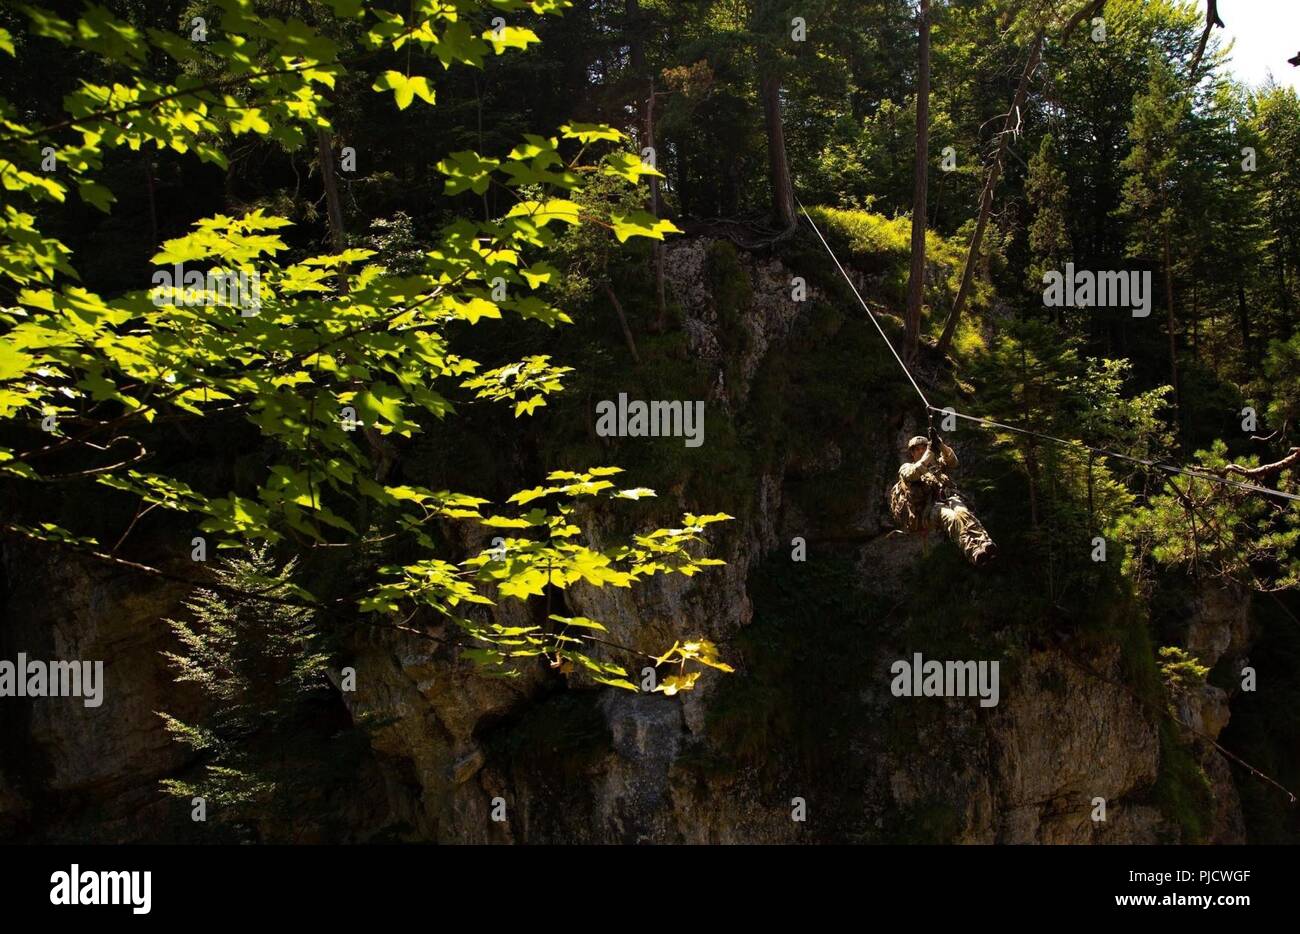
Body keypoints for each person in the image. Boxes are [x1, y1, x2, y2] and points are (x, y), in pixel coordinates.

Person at [889, 426, 997, 567]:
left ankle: (984, 542)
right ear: (912, 453)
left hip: (947, 499)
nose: (921, 451)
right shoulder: (907, 468)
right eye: (916, 449)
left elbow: (952, 461)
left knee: (963, 513)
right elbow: (913, 473)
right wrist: (930, 451)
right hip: (926, 511)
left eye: (923, 447)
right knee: (952, 518)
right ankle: (973, 551)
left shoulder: (936, 465)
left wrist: (939, 444)